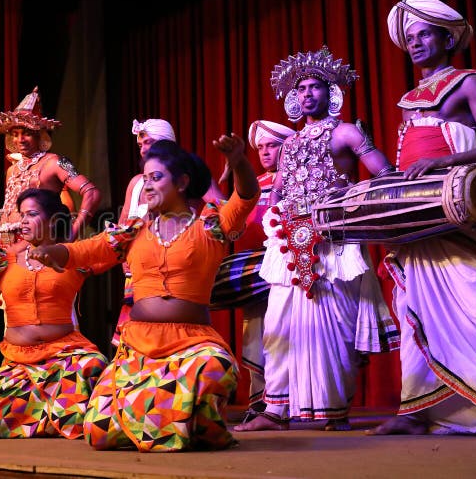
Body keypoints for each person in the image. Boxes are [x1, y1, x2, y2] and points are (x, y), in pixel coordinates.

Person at [28, 136, 260, 452]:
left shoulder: (210, 225)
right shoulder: (133, 231)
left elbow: (245, 197)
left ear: (182, 182)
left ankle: (167, 423)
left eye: (156, 177)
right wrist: (55, 250)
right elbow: (90, 248)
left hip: (192, 344)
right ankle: (166, 421)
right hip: (138, 345)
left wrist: (238, 162)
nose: (147, 185)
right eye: (145, 178)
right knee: (98, 432)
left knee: (214, 367)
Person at [236, 46, 398, 432]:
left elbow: (384, 172)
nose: (307, 93)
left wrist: (359, 205)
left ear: (330, 93)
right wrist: (275, 218)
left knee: (332, 326)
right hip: (289, 242)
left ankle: (331, 411)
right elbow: (277, 191)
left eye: (314, 87)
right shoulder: (289, 144)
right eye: (301, 89)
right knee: (279, 325)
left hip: (333, 241)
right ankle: (275, 411)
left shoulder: (346, 132)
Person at [367, 0, 476, 435]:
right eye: (410, 38)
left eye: (423, 35)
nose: (415, 43)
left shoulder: (470, 83)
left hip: (458, 213)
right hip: (417, 217)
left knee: (474, 301)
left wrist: (443, 166)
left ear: (446, 37)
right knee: (415, 306)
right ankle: (417, 412)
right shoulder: (410, 100)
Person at [0, 189, 113, 439]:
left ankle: (50, 414)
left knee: (92, 364)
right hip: (19, 360)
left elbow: (111, 251)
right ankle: (52, 416)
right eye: (22, 214)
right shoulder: (5, 255)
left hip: (64, 357)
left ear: (52, 220)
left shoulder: (71, 255)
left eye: (32, 214)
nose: (23, 221)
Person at [114, 118, 227, 346]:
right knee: (133, 341)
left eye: (150, 142)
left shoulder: (186, 178)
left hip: (178, 263)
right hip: (139, 269)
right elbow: (122, 224)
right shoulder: (136, 183)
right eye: (141, 144)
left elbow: (222, 204)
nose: (144, 149)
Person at [232, 119, 296, 422]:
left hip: (291, 269)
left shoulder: (298, 181)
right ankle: (261, 403)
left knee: (289, 336)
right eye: (261, 148)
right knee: (256, 337)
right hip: (255, 271)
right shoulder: (252, 185)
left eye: (272, 146)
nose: (265, 153)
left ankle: (296, 403)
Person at [0, 86, 101, 241]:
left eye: (27, 134)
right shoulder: (12, 170)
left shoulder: (54, 162)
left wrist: (74, 231)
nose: (20, 140)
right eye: (15, 135)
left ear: (39, 136)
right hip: (8, 246)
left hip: (40, 246)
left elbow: (92, 193)